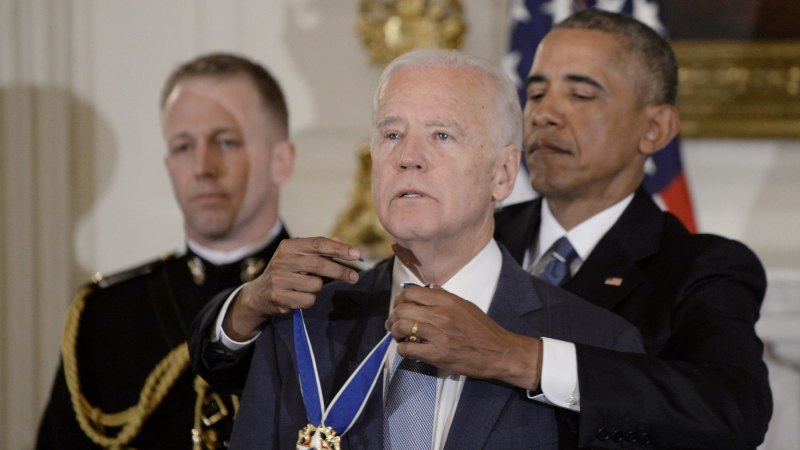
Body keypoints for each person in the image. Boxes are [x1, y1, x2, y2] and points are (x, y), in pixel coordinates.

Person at [211, 48, 642, 449]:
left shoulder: (592, 342)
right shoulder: (307, 319)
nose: (408, 157)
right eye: (392, 133)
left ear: (503, 173)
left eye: (441, 135)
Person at [493, 8, 772, 448]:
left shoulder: (699, 268)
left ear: (654, 130)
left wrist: (530, 360)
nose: (544, 115)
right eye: (536, 92)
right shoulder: (472, 236)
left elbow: (733, 409)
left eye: (581, 95)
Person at [36, 52, 295, 449]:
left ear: (281, 161)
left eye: (226, 141)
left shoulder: (336, 305)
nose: (203, 167)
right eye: (183, 146)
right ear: (168, 162)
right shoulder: (107, 317)